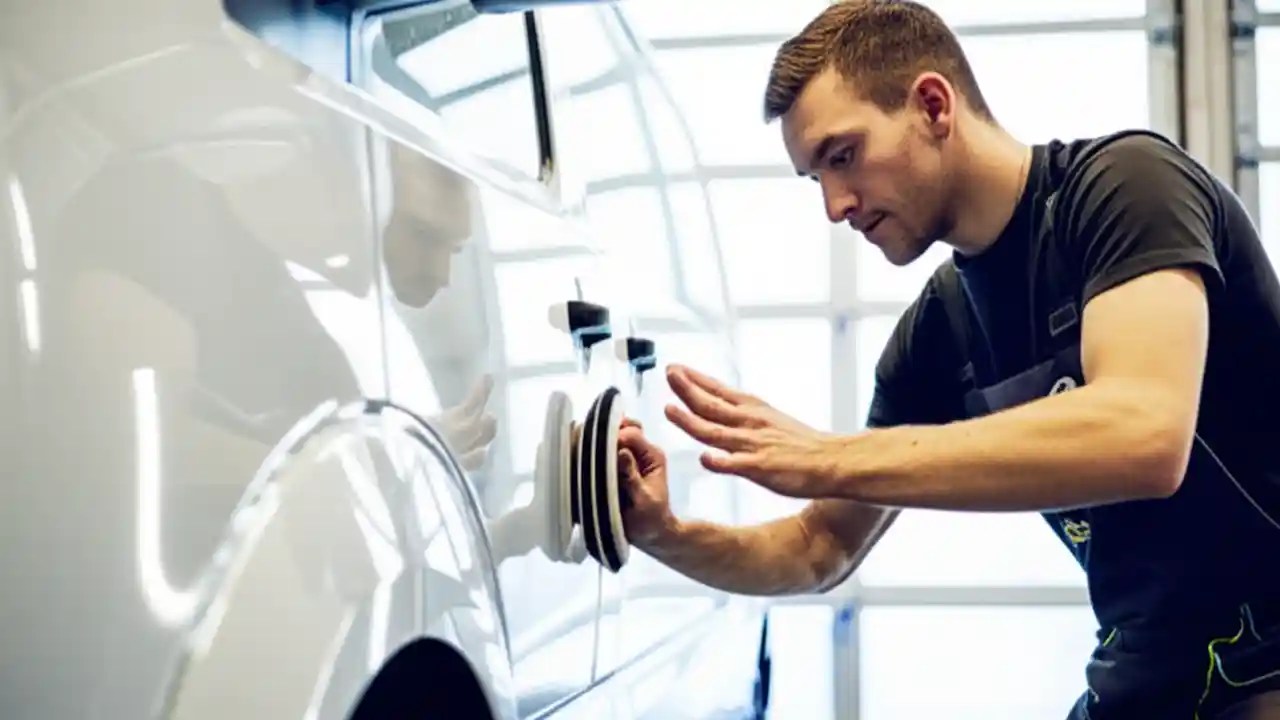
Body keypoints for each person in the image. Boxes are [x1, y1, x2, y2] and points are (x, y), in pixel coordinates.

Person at [615, 1, 1280, 718]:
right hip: (1152, 675)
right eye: (816, 180)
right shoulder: (936, 333)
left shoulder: (1126, 186)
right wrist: (663, 534)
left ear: (933, 105)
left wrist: (827, 456)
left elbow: (1144, 433)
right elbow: (816, 547)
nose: (835, 206)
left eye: (844, 156)